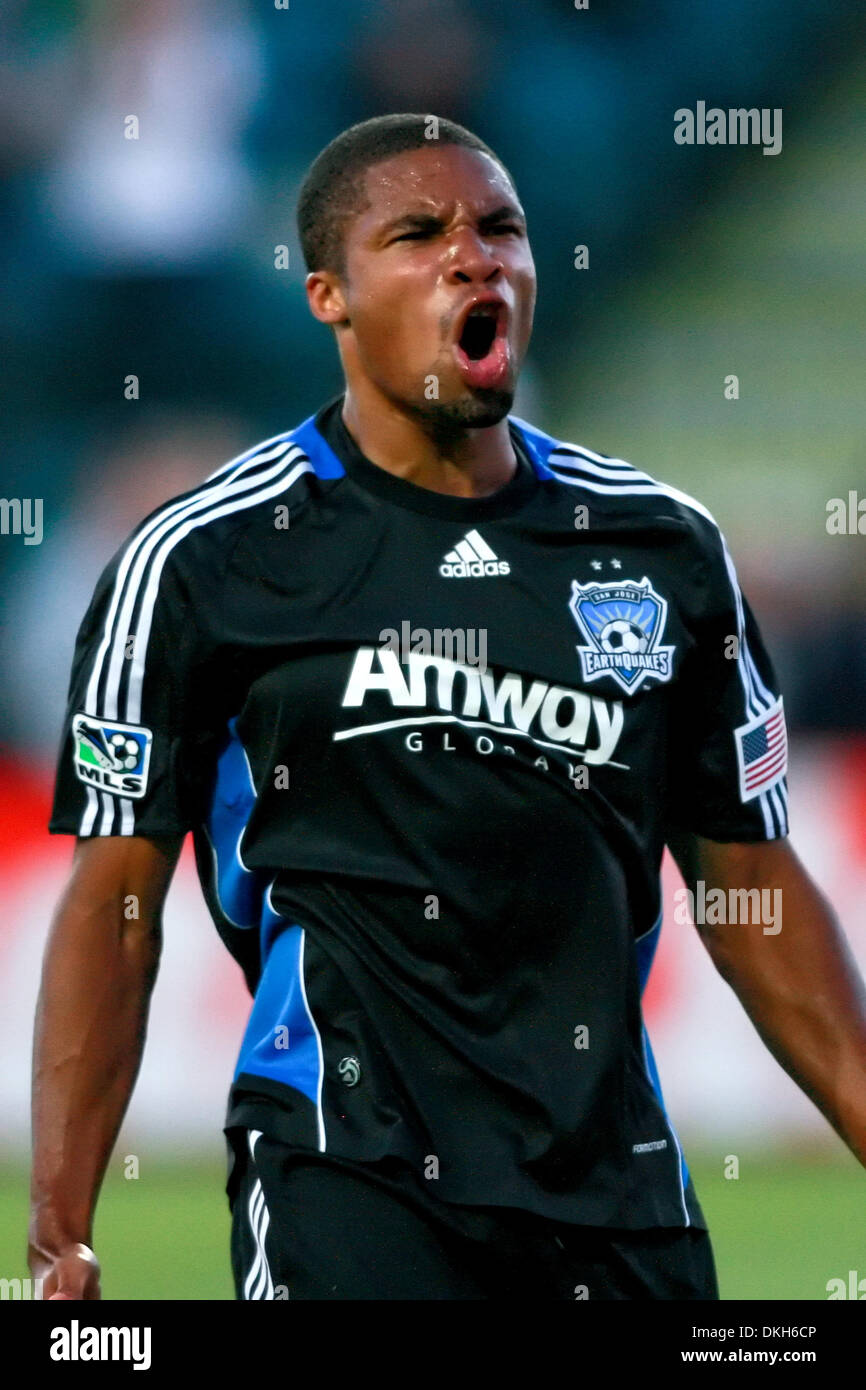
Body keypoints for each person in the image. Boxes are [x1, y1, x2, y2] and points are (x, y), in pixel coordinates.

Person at [32, 113, 866, 1302]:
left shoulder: (660, 547)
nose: (473, 258)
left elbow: (750, 893)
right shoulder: (206, 559)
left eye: (500, 228)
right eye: (418, 233)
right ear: (328, 294)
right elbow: (116, 905)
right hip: (342, 1166)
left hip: (615, 1187)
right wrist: (59, 1230)